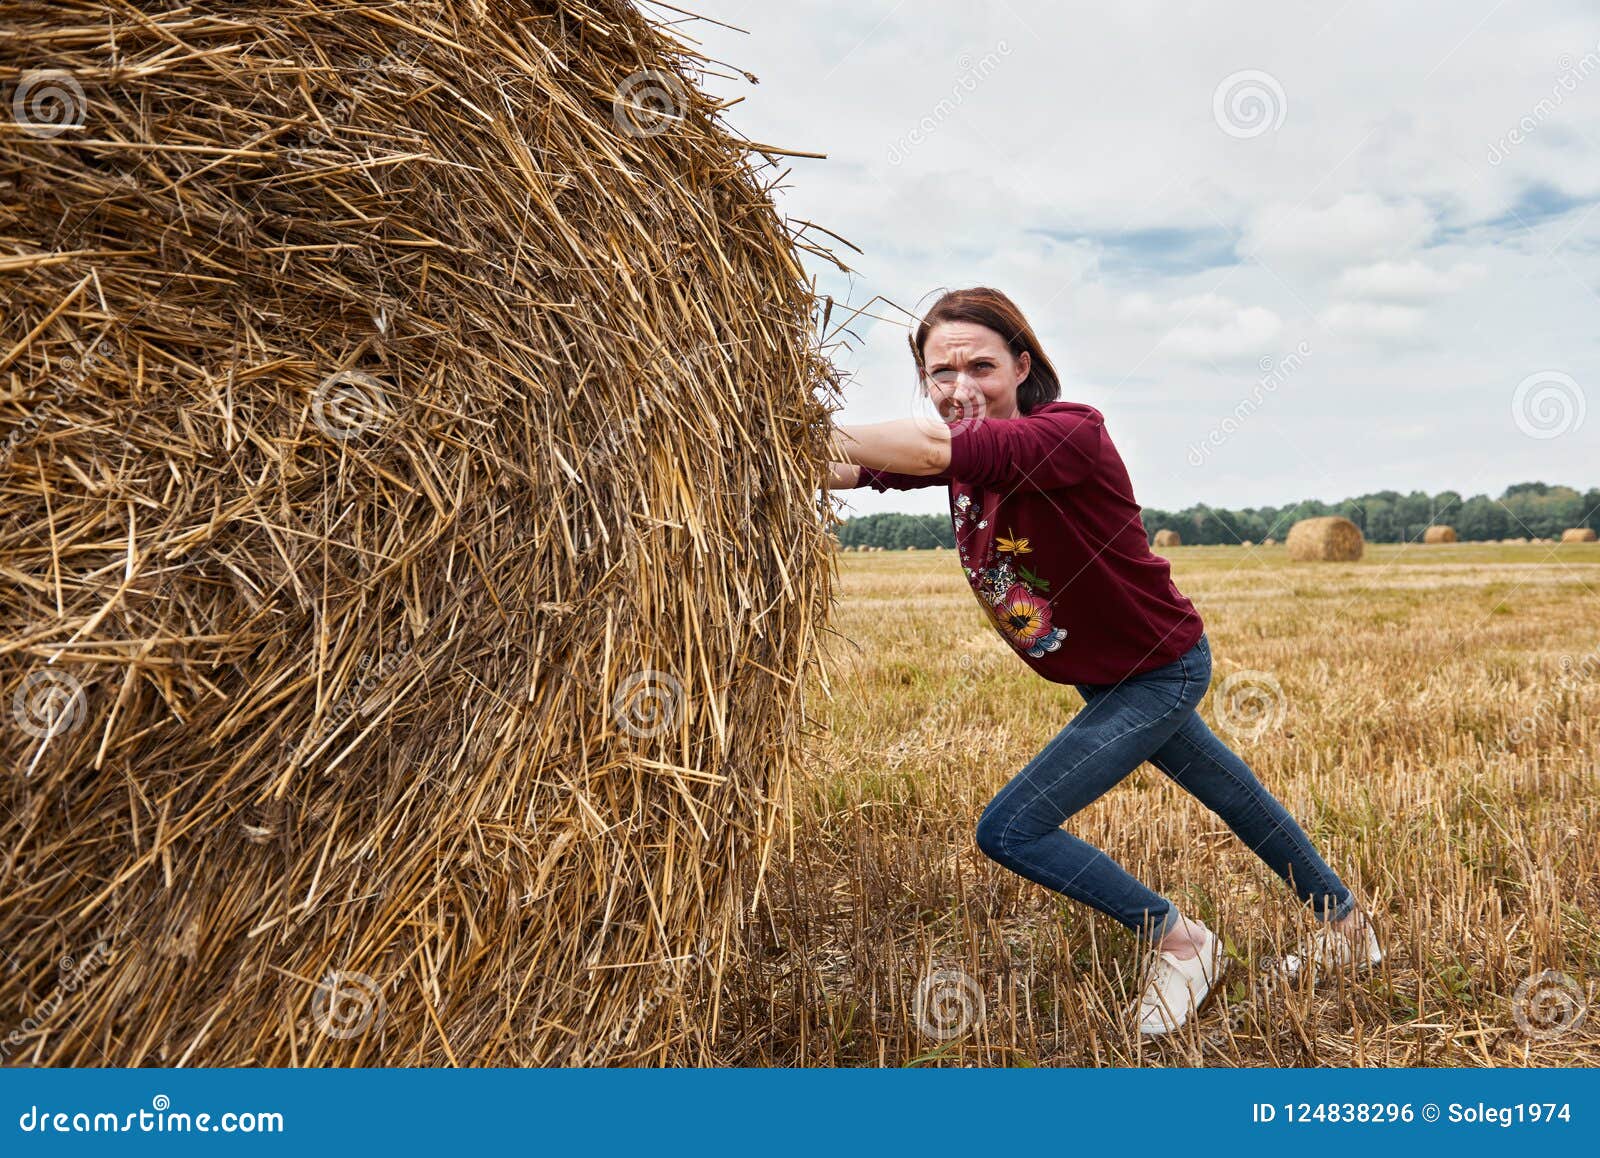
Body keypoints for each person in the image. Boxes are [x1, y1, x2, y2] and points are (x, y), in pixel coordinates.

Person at [824, 287, 1382, 1036]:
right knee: (1234, 795)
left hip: (1161, 667)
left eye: (980, 366)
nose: (960, 388)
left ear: (1023, 364)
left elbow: (927, 447)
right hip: (1106, 674)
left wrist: (783, 422)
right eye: (938, 374)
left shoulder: (1066, 435)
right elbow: (850, 468)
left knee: (1011, 829)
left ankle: (1180, 942)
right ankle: (1347, 929)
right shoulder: (967, 460)